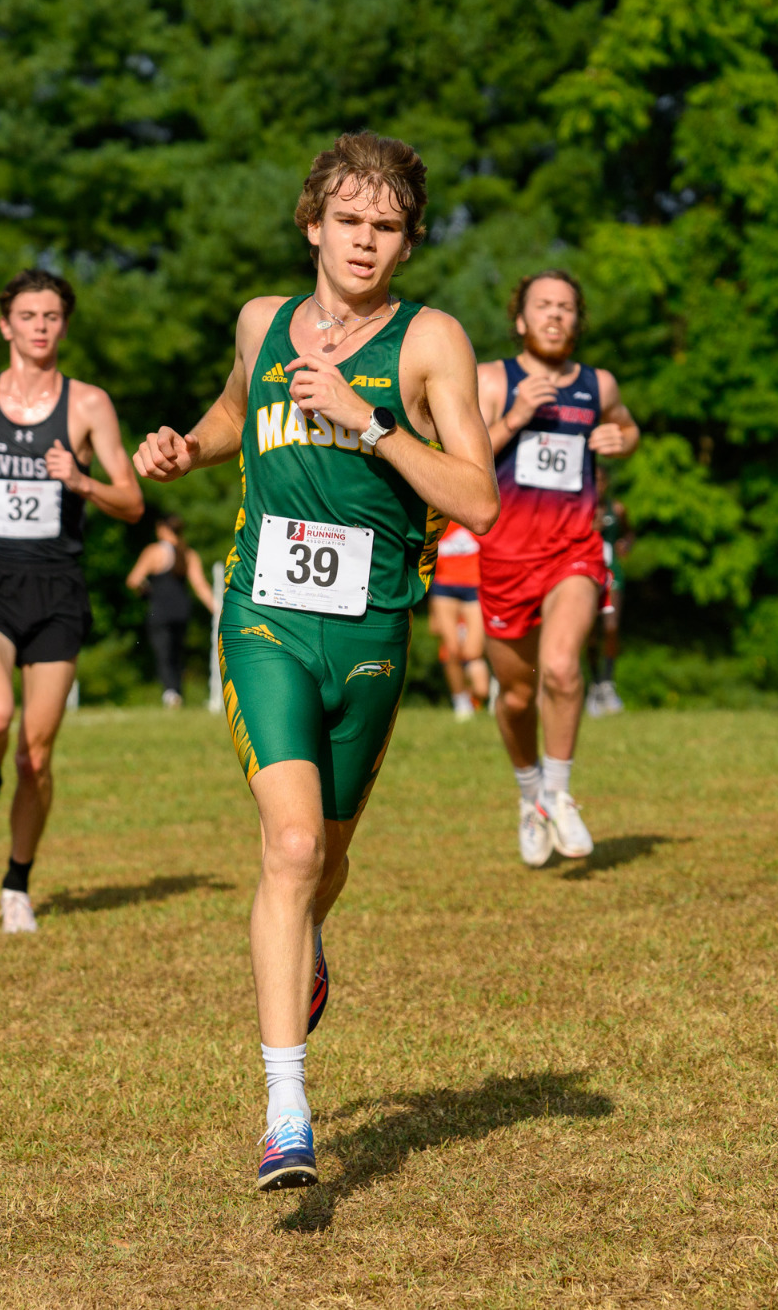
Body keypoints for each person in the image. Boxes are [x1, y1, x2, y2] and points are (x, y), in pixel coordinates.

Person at [132, 132, 499, 1192]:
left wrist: (368, 420)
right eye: (347, 221)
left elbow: (474, 500)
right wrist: (182, 448)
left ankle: (303, 945)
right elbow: (233, 406)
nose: (365, 242)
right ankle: (285, 1107)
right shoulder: (263, 322)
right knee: (288, 847)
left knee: (321, 865)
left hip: (373, 631)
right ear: (311, 224)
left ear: (408, 240)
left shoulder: (430, 345)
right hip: (264, 617)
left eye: (385, 227)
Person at [0, 269, 144, 934]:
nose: (41, 327)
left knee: (37, 753)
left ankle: (17, 882)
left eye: (52, 316)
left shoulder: (88, 406)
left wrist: (78, 480)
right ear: (6, 325)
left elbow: (132, 501)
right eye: (28, 316)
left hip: (57, 589)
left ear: (64, 326)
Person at [476, 271, 639, 865]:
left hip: (574, 548)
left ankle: (561, 793)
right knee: (517, 695)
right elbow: (461, 458)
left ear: (578, 321)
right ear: (520, 319)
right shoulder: (492, 380)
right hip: (505, 557)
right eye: (543, 306)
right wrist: (515, 417)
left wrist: (623, 439)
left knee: (564, 668)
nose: (555, 316)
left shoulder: (598, 383)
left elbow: (626, 424)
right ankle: (530, 799)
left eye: (567, 308)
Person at [125, 514, 217, 707]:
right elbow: (200, 587)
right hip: (182, 609)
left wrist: (146, 590)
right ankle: (177, 693)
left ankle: (170, 692)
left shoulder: (154, 551)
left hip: (160, 609)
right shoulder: (188, 554)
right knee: (177, 653)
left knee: (163, 653)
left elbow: (133, 580)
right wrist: (219, 610)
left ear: (163, 529)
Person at [426, 519, 490, 720]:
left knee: (473, 651)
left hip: (474, 585)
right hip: (444, 586)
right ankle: (460, 701)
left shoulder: (478, 516)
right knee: (451, 649)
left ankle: (476, 696)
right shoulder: (438, 517)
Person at [586, 467, 631, 717]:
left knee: (611, 626)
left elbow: (629, 533)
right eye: (595, 481)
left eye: (603, 481)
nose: (599, 486)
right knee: (590, 635)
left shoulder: (619, 509)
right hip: (586, 574)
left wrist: (626, 543)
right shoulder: (579, 509)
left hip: (612, 573)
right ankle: (594, 684)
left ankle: (607, 683)